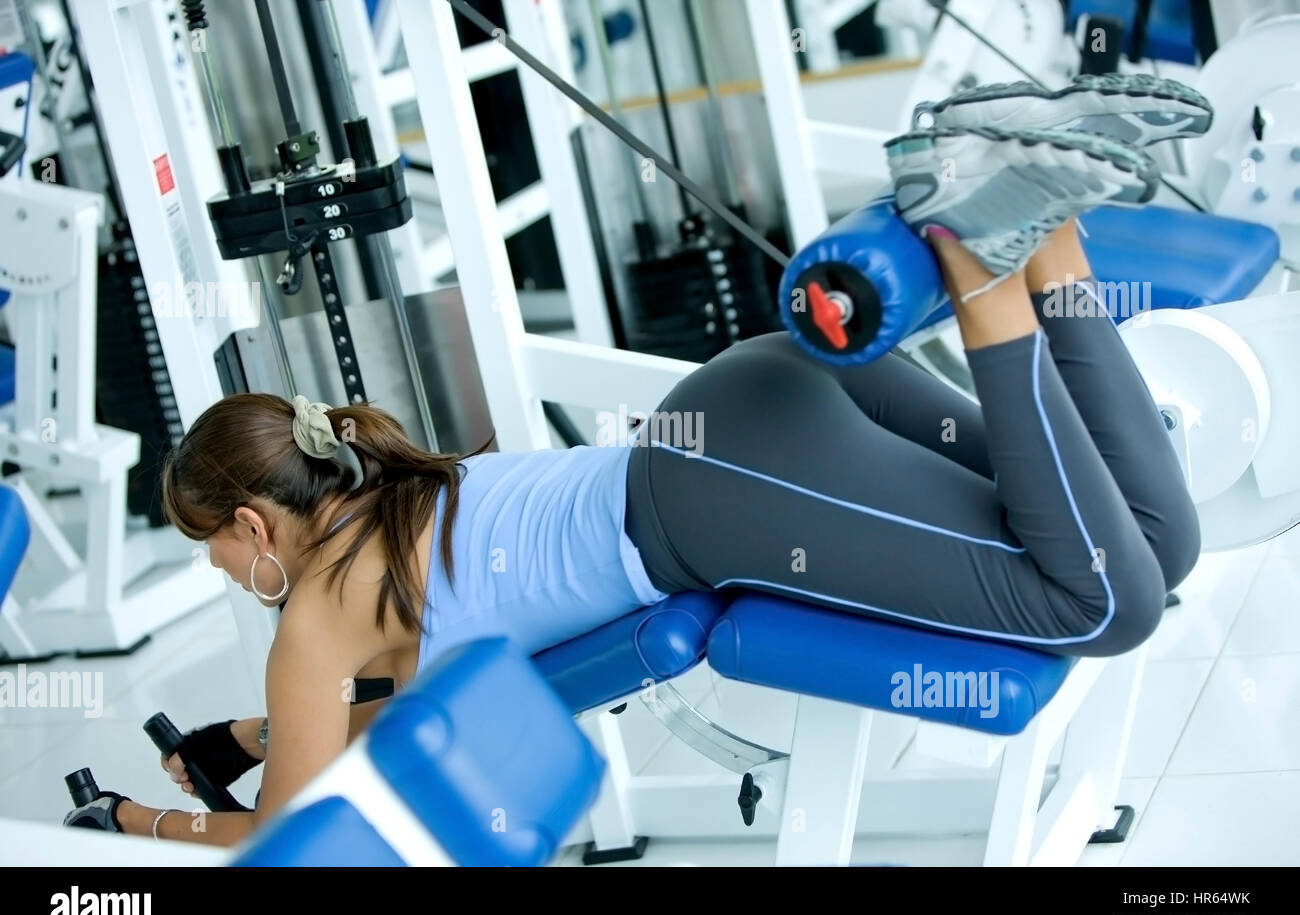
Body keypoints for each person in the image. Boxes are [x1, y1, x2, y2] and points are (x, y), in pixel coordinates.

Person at [64, 74, 1207, 844]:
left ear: (254, 525)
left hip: (733, 486)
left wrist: (136, 823)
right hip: (755, 404)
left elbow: (285, 833)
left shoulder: (314, 618)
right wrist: (244, 737)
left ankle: (973, 243)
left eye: (208, 544)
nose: (215, 569)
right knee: (1161, 546)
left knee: (1097, 598)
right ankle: (1043, 215)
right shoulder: (388, 491)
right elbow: (376, 721)